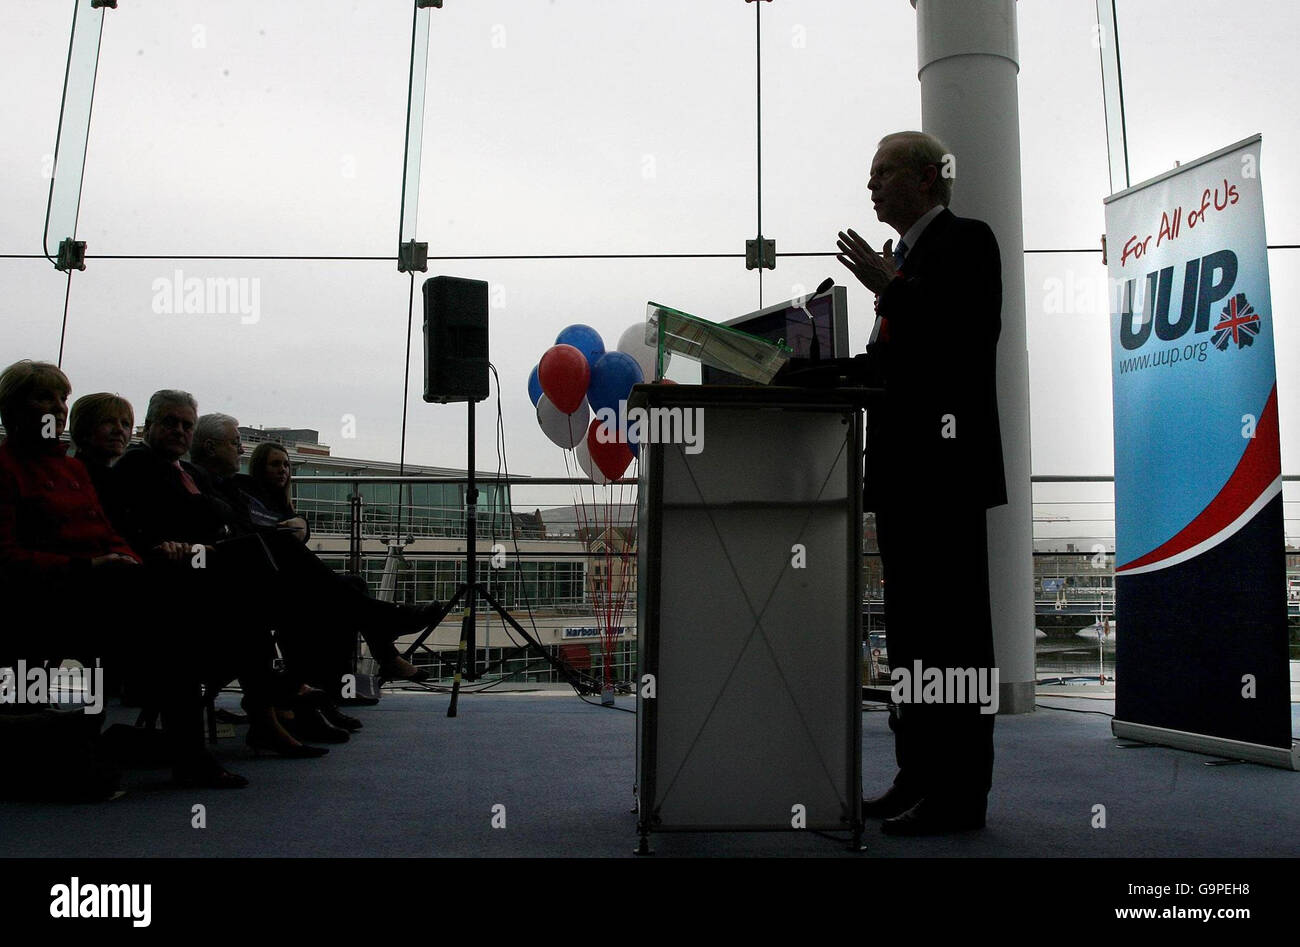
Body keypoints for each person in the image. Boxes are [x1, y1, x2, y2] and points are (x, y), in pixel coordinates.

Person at [836, 131, 1006, 835]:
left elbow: (963, 338)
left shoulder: (971, 241)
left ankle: (959, 795)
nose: (871, 184)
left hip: (948, 476)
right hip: (905, 479)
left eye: (884, 171)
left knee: (953, 640)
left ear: (930, 179)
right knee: (912, 638)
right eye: (869, 173)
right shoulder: (901, 262)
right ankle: (916, 773)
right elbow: (894, 365)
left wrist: (890, 289)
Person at [0, 361, 249, 789]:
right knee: (182, 608)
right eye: (45, 398)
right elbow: (5, 556)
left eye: (62, 398)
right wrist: (89, 566)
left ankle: (181, 742)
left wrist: (121, 556)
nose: (58, 408)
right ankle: (191, 745)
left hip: (101, 584)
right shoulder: (7, 468)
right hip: (44, 593)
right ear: (13, 408)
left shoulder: (73, 470)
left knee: (190, 598)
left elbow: (108, 533)